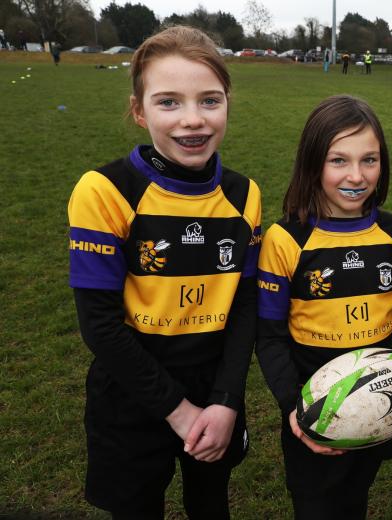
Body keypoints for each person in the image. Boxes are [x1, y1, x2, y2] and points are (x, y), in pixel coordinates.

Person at [68, 26, 261, 519]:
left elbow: (244, 306)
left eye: (210, 100)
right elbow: (100, 325)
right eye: (169, 102)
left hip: (213, 390)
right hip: (131, 389)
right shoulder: (104, 191)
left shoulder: (244, 195)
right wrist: (178, 410)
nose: (193, 119)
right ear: (139, 111)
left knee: (211, 505)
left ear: (228, 103)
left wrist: (225, 400)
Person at [256, 94, 392, 520]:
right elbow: (269, 335)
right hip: (314, 406)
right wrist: (294, 406)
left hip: (375, 400)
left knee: (356, 495)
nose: (357, 176)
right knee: (315, 504)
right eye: (339, 160)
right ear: (312, 163)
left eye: (369, 160)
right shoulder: (286, 240)